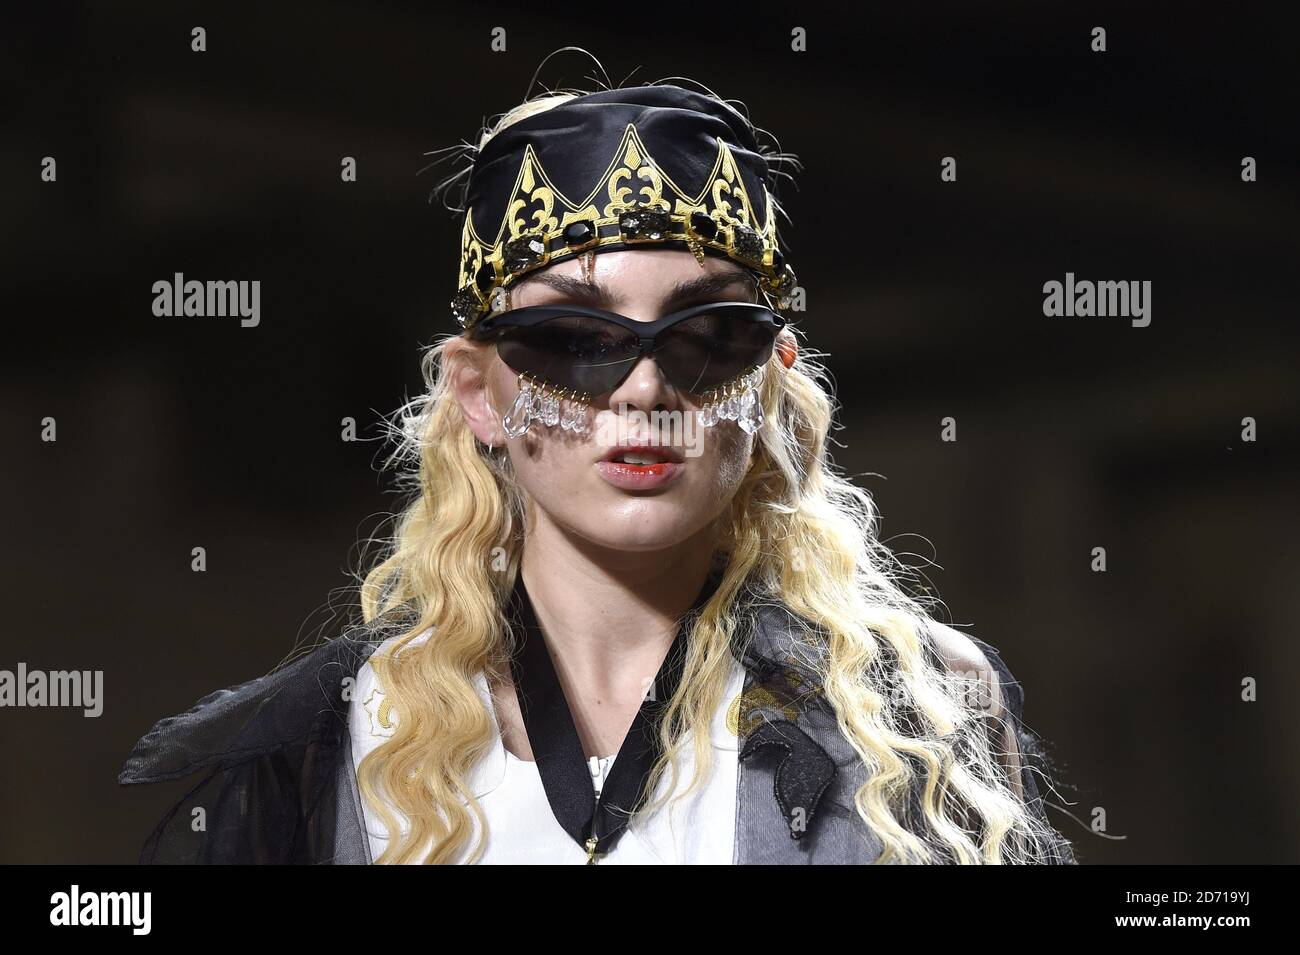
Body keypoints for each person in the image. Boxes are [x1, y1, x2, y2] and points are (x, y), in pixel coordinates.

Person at [118, 59, 1076, 865]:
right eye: (573, 336)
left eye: (708, 334)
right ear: (478, 393)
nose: (643, 391)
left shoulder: (915, 706)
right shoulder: (332, 739)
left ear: (774, 380)